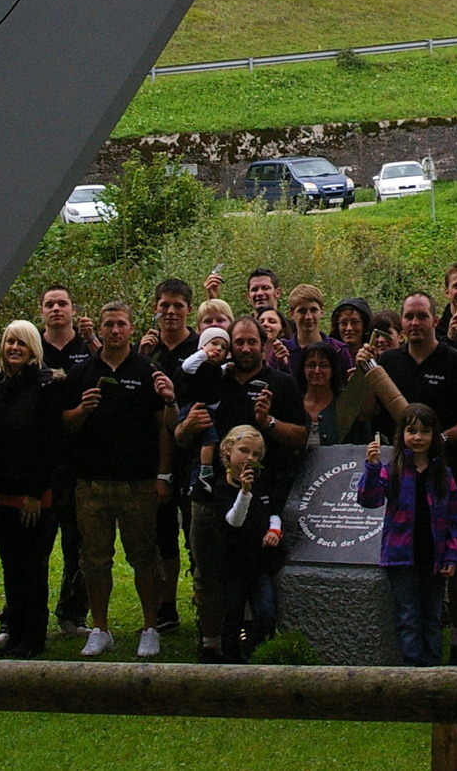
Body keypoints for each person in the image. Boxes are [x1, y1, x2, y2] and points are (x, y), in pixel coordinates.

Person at [359, 291, 457, 662]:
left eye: (422, 316)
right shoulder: (388, 363)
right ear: (401, 322)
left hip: (450, 472)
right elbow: (367, 413)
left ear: (435, 320)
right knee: (413, 557)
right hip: (403, 475)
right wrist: (366, 373)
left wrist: (442, 441)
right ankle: (417, 652)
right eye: (408, 317)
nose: (415, 323)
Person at [175, 317, 308, 661]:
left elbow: (300, 437)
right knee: (207, 571)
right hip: (210, 496)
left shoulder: (281, 383)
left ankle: (257, 642)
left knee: (257, 573)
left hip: (262, 498)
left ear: (264, 343)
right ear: (229, 344)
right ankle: (211, 641)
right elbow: (180, 435)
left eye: (252, 342)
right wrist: (187, 426)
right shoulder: (213, 379)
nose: (246, 348)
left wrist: (269, 423)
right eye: (239, 342)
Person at [61, 302, 175, 659]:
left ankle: (150, 627)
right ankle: (101, 628)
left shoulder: (147, 371)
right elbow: (64, 423)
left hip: (137, 483)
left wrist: (162, 474)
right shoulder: (82, 372)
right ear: (100, 328)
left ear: (131, 329)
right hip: (91, 482)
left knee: (143, 557)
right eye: (108, 324)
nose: (114, 330)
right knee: (94, 559)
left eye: (120, 324)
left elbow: (163, 427)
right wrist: (83, 409)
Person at [355, 407, 457, 667]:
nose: (418, 437)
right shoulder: (391, 470)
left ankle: (432, 667)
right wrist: (371, 468)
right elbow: (369, 500)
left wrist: (453, 554)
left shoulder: (443, 474)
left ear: (434, 436)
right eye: (412, 431)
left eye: (425, 432)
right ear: (401, 434)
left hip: (435, 558)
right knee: (408, 617)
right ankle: (412, 669)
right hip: (401, 557)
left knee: (433, 616)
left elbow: (456, 516)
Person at [0, 321, 64, 659]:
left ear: (33, 350)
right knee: (11, 567)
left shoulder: (45, 387)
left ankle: (33, 637)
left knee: (32, 567)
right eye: (9, 341)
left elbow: (50, 444)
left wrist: (34, 492)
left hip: (32, 495)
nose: (14, 348)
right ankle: (14, 633)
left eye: (22, 344)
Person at [137, 278, 199, 635]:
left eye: (177, 305)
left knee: (195, 533)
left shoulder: (200, 346)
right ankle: (166, 606)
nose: (171, 311)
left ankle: (202, 600)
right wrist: (143, 357)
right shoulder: (147, 350)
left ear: (188, 309)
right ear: (155, 308)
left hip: (191, 455)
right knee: (161, 537)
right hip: (155, 457)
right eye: (164, 305)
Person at [190, 424, 283, 661]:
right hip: (233, 565)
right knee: (232, 615)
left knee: (266, 614)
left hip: (260, 564)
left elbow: (273, 510)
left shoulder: (263, 480)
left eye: (255, 455)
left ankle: (256, 654)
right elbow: (234, 521)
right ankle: (231, 660)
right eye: (244, 451)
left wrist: (274, 530)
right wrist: (244, 491)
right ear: (228, 453)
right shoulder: (223, 487)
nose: (249, 458)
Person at [35, 285, 92, 640]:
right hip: (39, 462)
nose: (57, 309)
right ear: (41, 311)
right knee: (34, 546)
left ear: (73, 309)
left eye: (62, 303)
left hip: (79, 462)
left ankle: (74, 613)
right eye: (50, 304)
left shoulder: (86, 350)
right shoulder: (29, 347)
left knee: (79, 544)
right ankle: (22, 615)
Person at [331, 297, 374, 364]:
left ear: (365, 325)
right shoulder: (330, 355)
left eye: (355, 322)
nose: (349, 328)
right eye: (344, 323)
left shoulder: (375, 355)